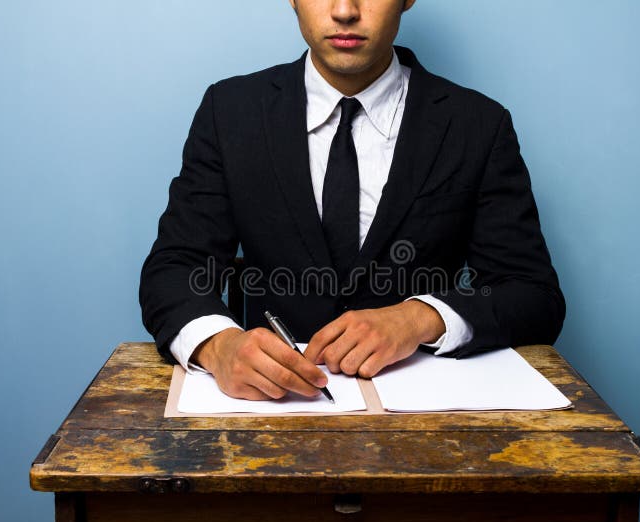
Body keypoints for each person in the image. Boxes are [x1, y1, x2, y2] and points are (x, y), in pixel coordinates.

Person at [140, 0, 565, 401]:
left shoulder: (478, 125)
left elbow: (533, 295)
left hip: (427, 416)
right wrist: (219, 346)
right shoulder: (230, 111)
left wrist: (420, 318)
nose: (345, 11)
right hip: (273, 411)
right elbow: (174, 268)